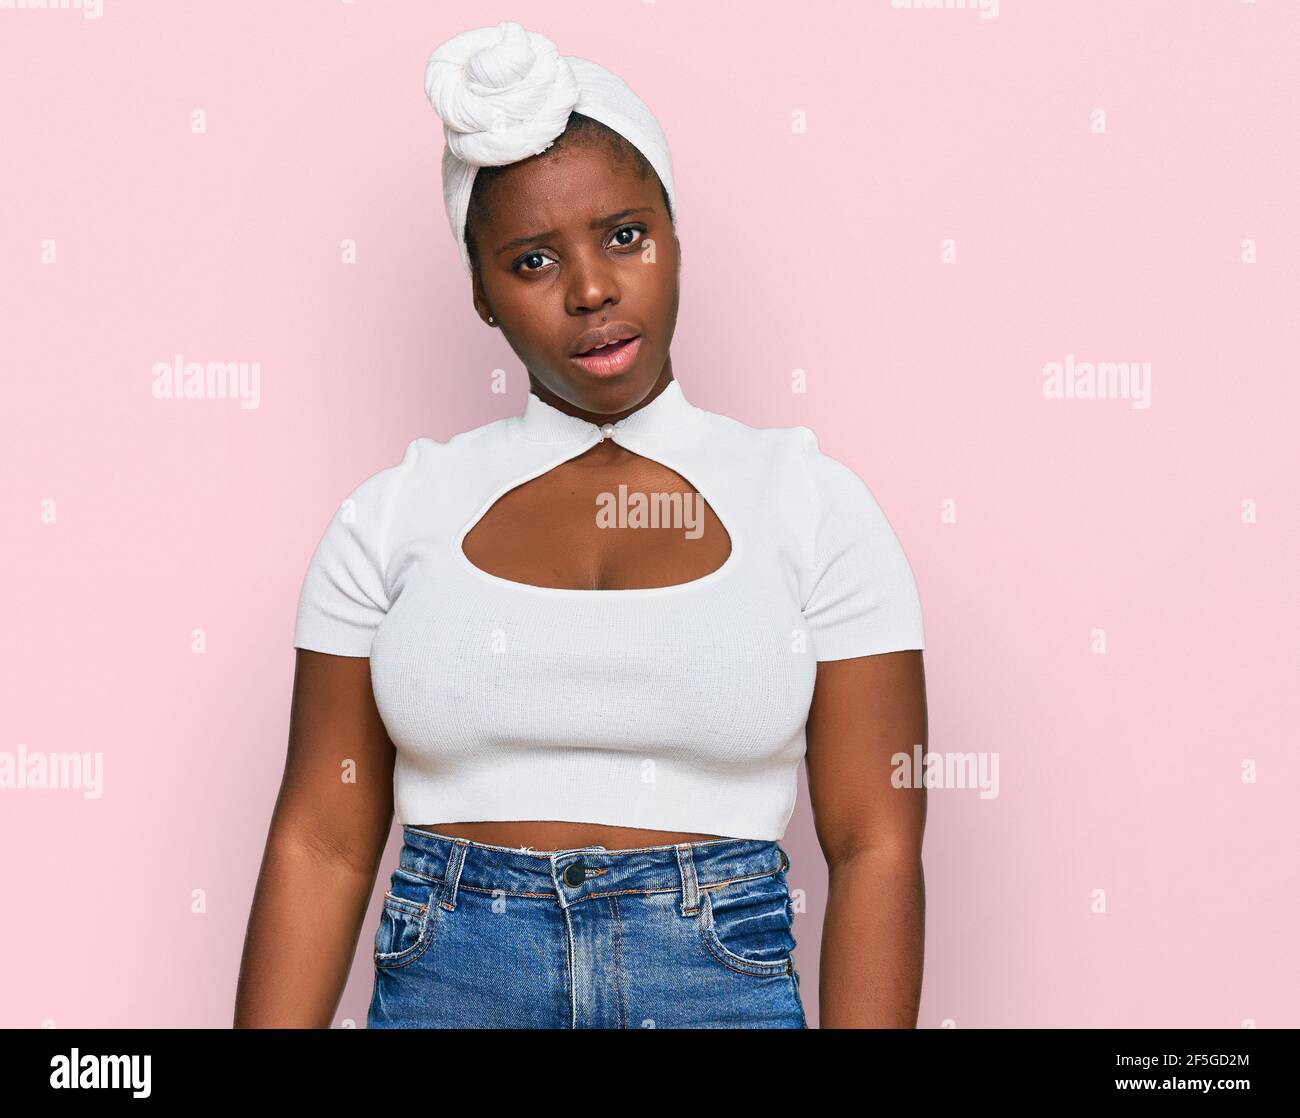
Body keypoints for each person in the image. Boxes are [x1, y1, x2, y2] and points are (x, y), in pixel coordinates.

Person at [234, 20, 928, 1029]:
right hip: (449, 980)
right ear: (480, 293)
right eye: (530, 260)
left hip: (713, 981)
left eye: (623, 235)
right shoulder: (390, 517)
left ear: (676, 235)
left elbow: (875, 842)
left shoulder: (815, 506)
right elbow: (323, 839)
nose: (592, 288)